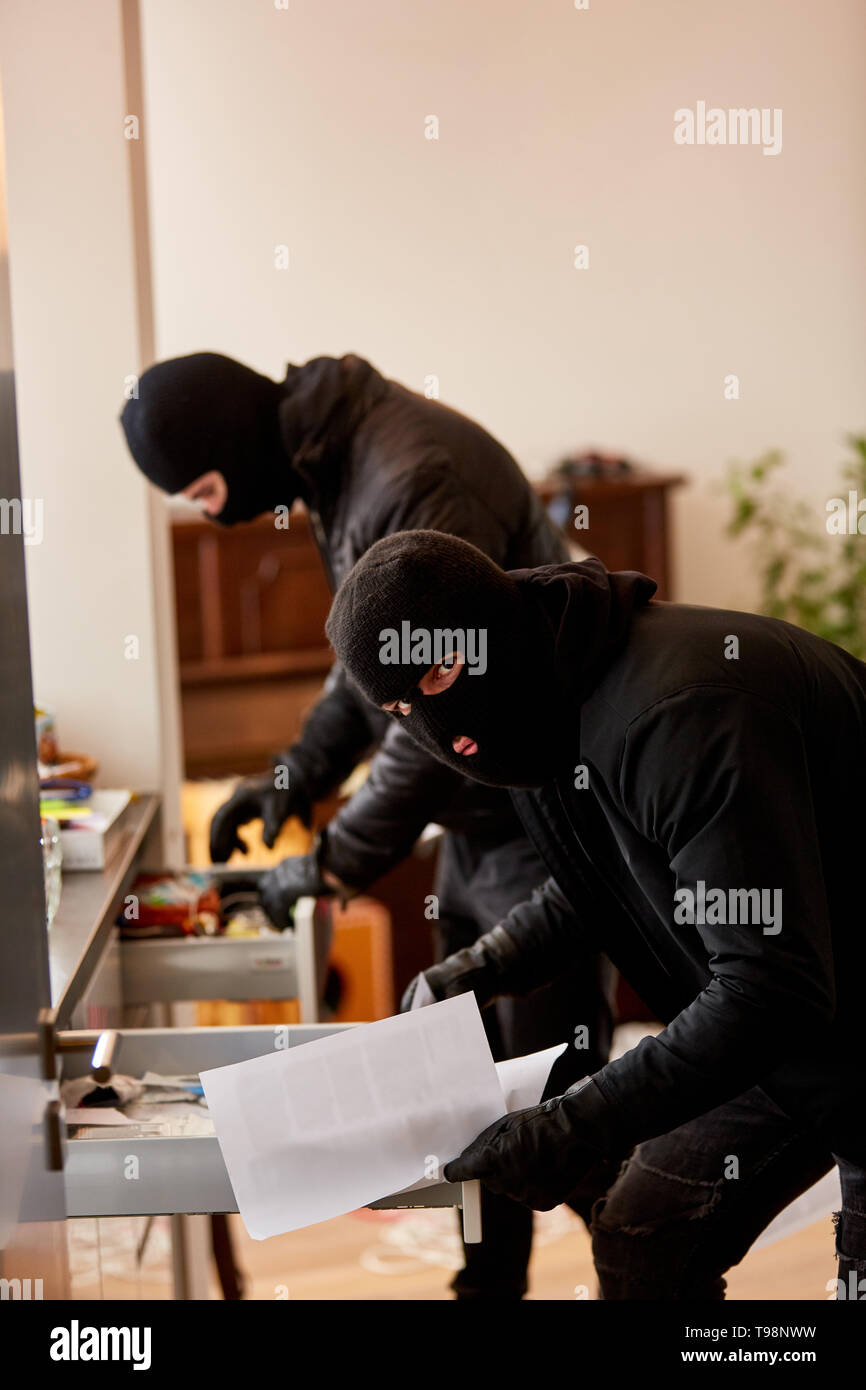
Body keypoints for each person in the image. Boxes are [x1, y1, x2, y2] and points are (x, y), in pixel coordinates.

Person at [121, 350, 612, 1299]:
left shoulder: (412, 474)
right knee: (473, 1093)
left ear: (230, 445)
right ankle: (491, 1288)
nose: (219, 516)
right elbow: (368, 662)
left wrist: (333, 862)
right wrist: (293, 777)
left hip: (543, 819)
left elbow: (422, 716)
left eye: (212, 490)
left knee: (560, 1116)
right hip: (481, 823)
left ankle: (659, 1270)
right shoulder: (340, 467)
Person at [325, 527, 866, 1300]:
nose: (438, 729)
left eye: (440, 674)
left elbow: (771, 990)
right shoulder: (548, 696)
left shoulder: (678, 715)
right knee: (645, 1236)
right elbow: (607, 876)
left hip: (815, 1005)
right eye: (402, 704)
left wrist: (578, 1123)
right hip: (800, 1011)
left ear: (485, 633)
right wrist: (486, 964)